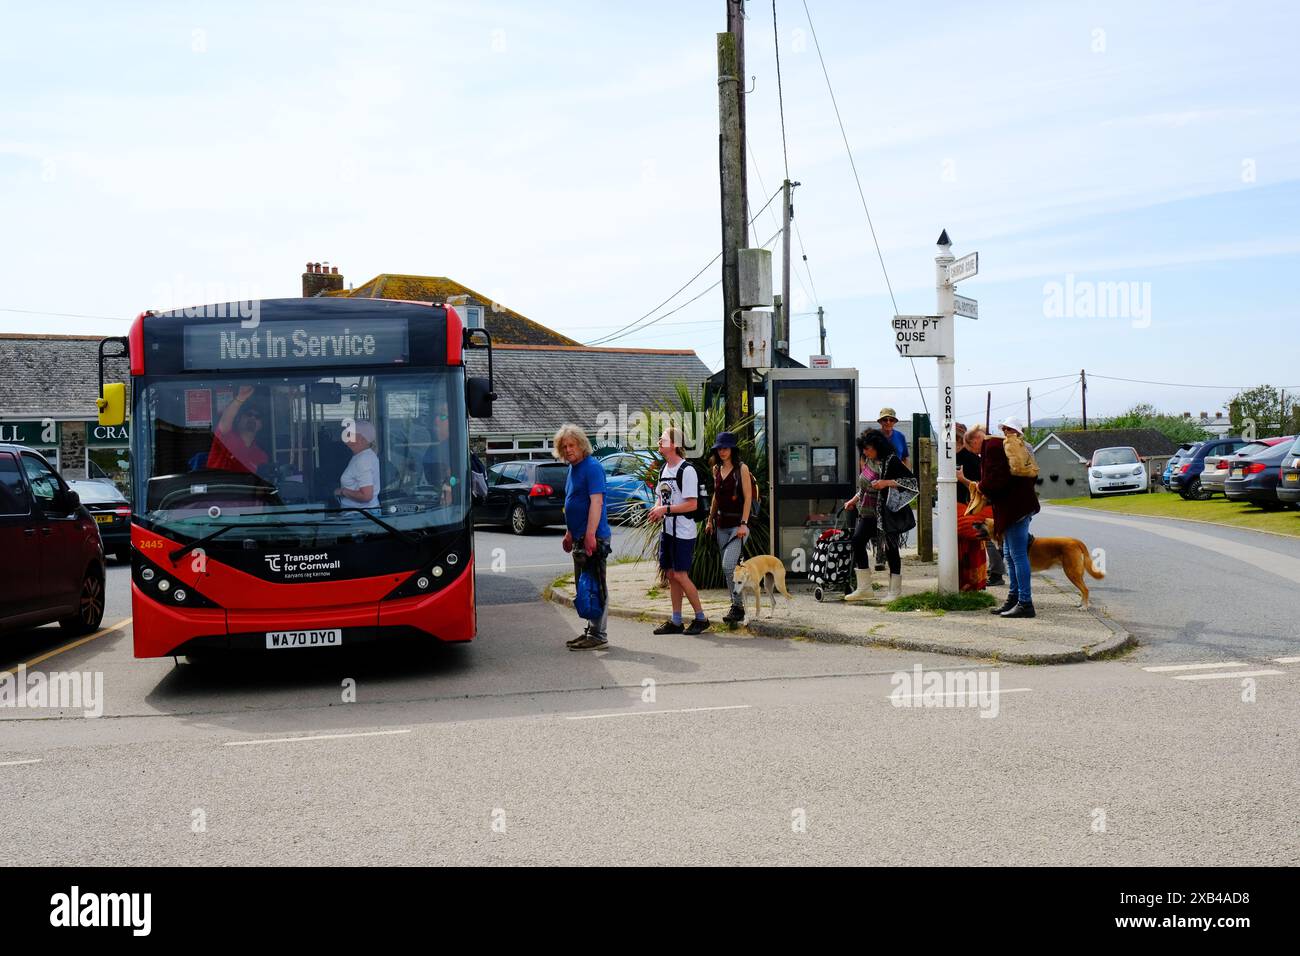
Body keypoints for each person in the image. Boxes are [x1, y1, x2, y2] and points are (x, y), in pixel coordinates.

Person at [556, 424, 612, 651]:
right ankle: (591, 630)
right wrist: (569, 533)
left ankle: (599, 635)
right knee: (585, 586)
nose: (568, 450)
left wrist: (590, 535)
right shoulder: (573, 468)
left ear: (582, 445)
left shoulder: (592, 467)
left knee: (597, 587)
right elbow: (572, 503)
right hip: (579, 537)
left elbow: (596, 503)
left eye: (572, 445)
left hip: (594, 538)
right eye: (564, 446)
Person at [844, 428, 917, 601]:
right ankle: (864, 588)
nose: (865, 452)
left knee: (890, 549)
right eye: (864, 448)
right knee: (857, 541)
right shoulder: (868, 460)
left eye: (868, 448)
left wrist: (886, 483)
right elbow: (864, 486)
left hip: (885, 513)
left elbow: (912, 482)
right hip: (867, 511)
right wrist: (854, 499)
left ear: (878, 447)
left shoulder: (891, 461)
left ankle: (895, 591)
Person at [979, 416, 1041, 618]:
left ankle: (1024, 601)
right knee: (1009, 554)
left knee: (1017, 555)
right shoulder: (1008, 447)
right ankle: (1014, 598)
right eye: (1005, 429)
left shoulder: (1021, 448)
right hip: (1017, 508)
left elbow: (1015, 478)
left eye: (1009, 429)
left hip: (1017, 509)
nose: (1006, 432)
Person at [649, 427, 708, 635]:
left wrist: (664, 509)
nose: (659, 441)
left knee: (681, 575)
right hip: (668, 530)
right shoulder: (664, 469)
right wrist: (656, 508)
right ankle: (676, 620)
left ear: (674, 445)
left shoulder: (687, 470)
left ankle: (701, 617)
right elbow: (661, 495)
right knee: (671, 574)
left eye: (663, 439)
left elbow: (692, 505)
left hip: (683, 531)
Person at [703, 431, 753, 624]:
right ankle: (736, 605)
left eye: (726, 448)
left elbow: (748, 497)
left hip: (738, 526)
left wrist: (743, 523)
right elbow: (716, 496)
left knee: (728, 564)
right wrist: (710, 520)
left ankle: (737, 607)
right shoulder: (716, 469)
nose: (723, 451)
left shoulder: (742, 468)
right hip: (721, 525)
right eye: (719, 448)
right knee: (728, 570)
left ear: (732, 449)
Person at [957, 425, 1005, 586]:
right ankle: (988, 573)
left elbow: (984, 484)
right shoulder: (980, 455)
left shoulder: (975, 457)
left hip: (983, 503)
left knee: (986, 536)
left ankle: (996, 573)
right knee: (985, 538)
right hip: (976, 502)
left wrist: (963, 480)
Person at [206, 385, 268, 474]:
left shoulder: (260, 456)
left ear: (261, 425)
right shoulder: (225, 438)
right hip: (218, 487)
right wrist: (240, 399)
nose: (253, 418)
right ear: (238, 420)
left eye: (257, 417)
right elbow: (225, 421)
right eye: (248, 414)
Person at [334, 420, 381, 509]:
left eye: (350, 433)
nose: (346, 435)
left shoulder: (363, 460)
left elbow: (366, 496)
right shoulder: (365, 455)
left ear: (362, 439)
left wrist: (342, 492)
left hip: (360, 515)